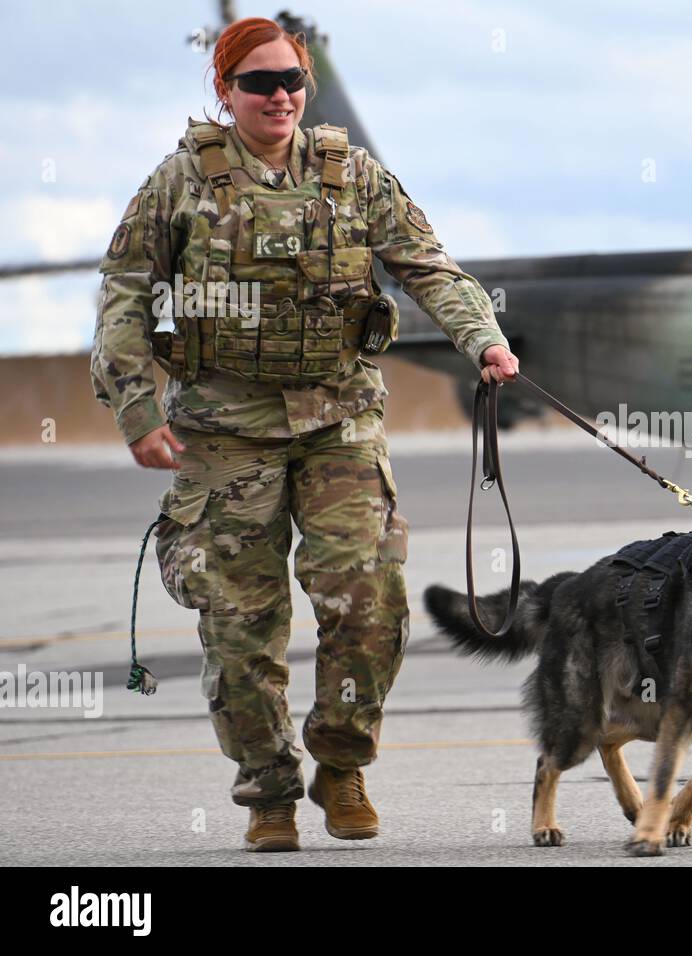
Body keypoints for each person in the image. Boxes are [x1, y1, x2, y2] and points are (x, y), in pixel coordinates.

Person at [90, 17, 519, 852]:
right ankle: (269, 795)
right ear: (226, 91)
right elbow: (125, 292)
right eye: (258, 82)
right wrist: (136, 409)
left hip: (338, 420)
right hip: (223, 430)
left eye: (291, 79)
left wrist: (484, 339)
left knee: (370, 597)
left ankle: (341, 760)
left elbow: (427, 263)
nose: (279, 95)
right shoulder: (179, 183)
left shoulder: (353, 175)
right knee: (240, 625)